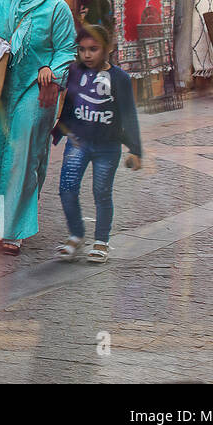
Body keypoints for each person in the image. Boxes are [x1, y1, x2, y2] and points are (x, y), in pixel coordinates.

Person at [0, 0, 76, 255]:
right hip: (0, 85)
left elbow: (67, 49)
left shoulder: (56, 7)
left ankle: (15, 229)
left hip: (36, 87)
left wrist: (51, 68)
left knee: (22, 154)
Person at [52, 24, 142, 264]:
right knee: (67, 189)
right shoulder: (74, 72)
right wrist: (59, 131)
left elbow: (129, 114)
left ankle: (101, 240)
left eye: (93, 49)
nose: (87, 55)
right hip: (77, 142)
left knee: (101, 193)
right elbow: (69, 105)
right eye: (82, 49)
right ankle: (76, 234)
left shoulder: (120, 78)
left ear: (107, 49)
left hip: (107, 146)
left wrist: (135, 150)